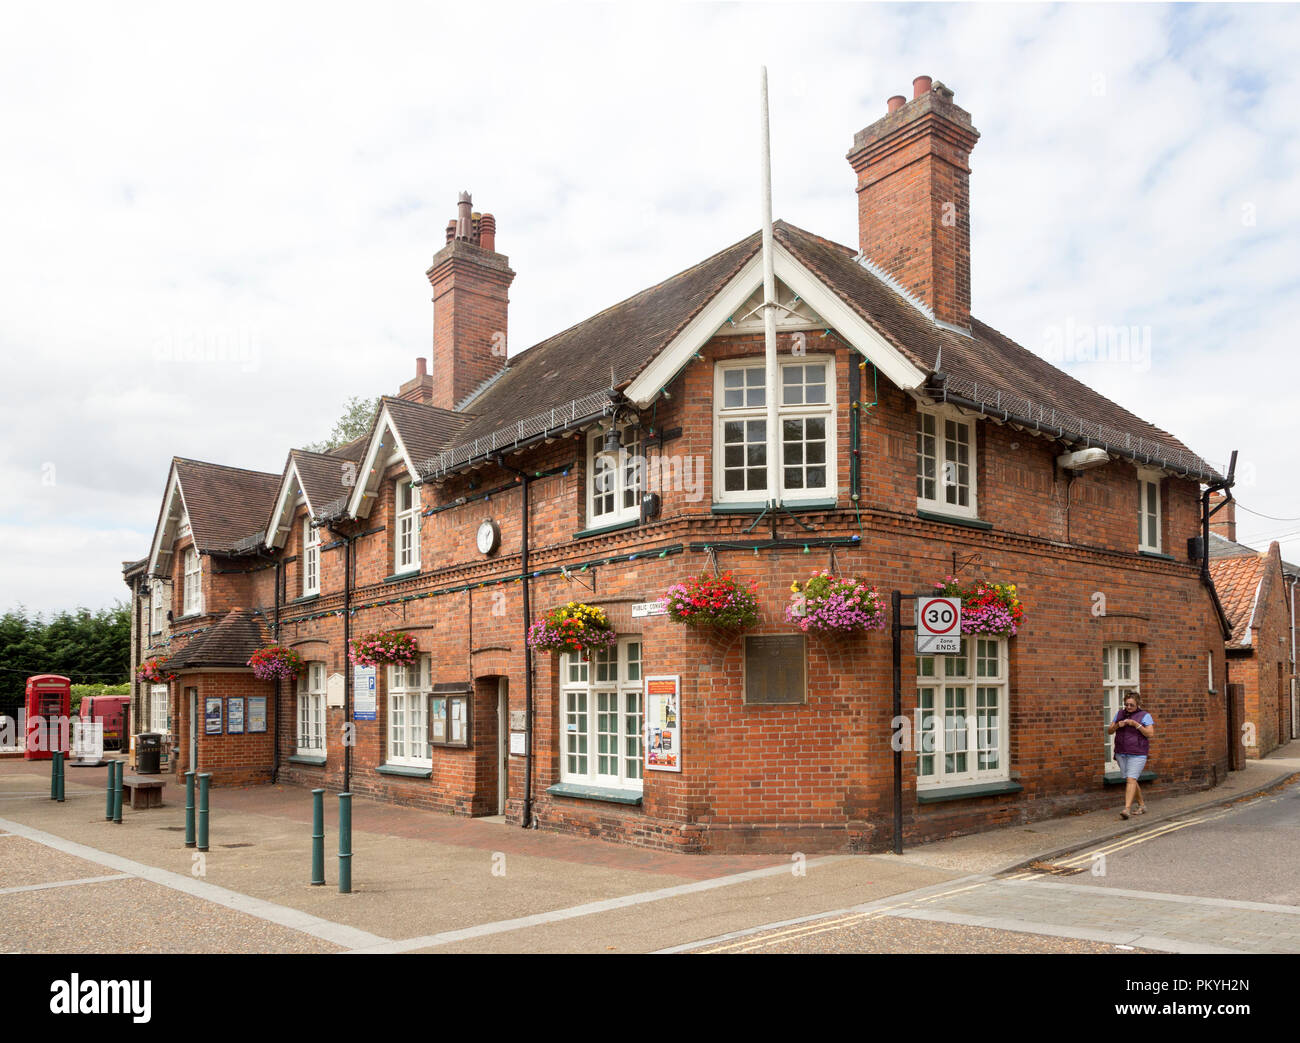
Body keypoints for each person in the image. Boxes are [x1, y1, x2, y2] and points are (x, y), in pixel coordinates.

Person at [1107, 689, 1154, 819]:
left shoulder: (1145, 715)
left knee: (1131, 779)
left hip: (1138, 753)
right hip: (1122, 752)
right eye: (1126, 704)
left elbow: (1150, 733)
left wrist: (1136, 724)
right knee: (1132, 779)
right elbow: (1109, 731)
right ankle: (1142, 805)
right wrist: (1117, 725)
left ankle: (1126, 809)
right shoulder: (1120, 714)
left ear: (1137, 704)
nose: (1128, 707)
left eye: (1131, 705)